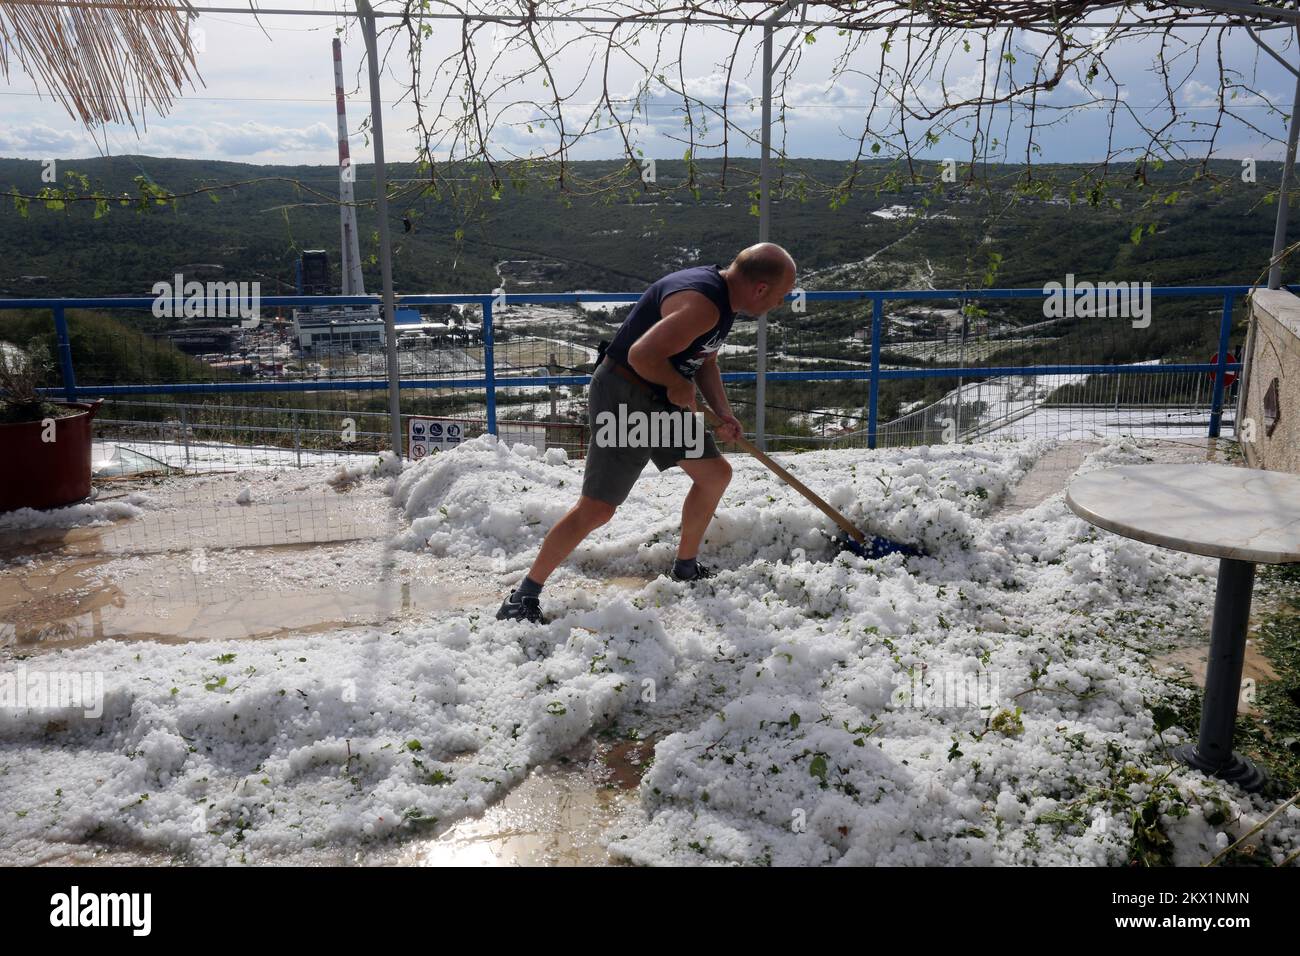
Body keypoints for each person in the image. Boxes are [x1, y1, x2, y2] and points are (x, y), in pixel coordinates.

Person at [497, 242, 798, 623]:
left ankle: (685, 568)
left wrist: (722, 412)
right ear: (760, 289)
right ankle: (523, 596)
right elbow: (641, 355)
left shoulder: (725, 301)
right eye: (780, 297)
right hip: (625, 395)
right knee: (598, 508)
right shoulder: (703, 304)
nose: (779, 304)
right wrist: (676, 383)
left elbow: (705, 361)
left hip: (664, 397)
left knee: (715, 475)